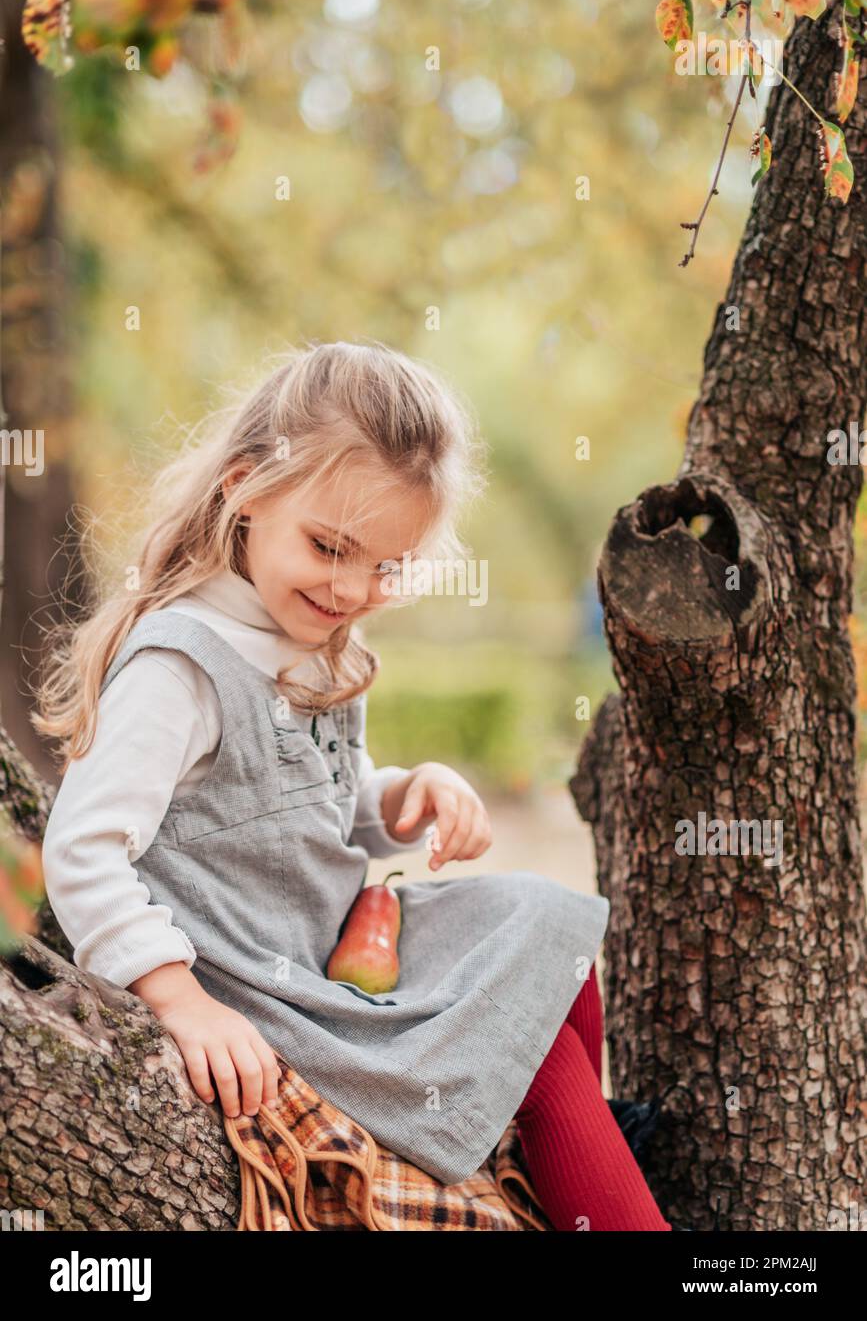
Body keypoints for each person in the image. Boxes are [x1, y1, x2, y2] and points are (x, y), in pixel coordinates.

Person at [37, 339, 671, 1231]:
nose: (350, 587)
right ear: (245, 490)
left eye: (386, 566)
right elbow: (82, 848)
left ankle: (571, 1170)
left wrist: (401, 795)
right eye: (329, 546)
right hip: (261, 988)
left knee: (553, 949)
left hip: (327, 953)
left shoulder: (316, 645)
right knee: (534, 1053)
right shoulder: (180, 668)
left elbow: (318, 799)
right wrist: (180, 1002)